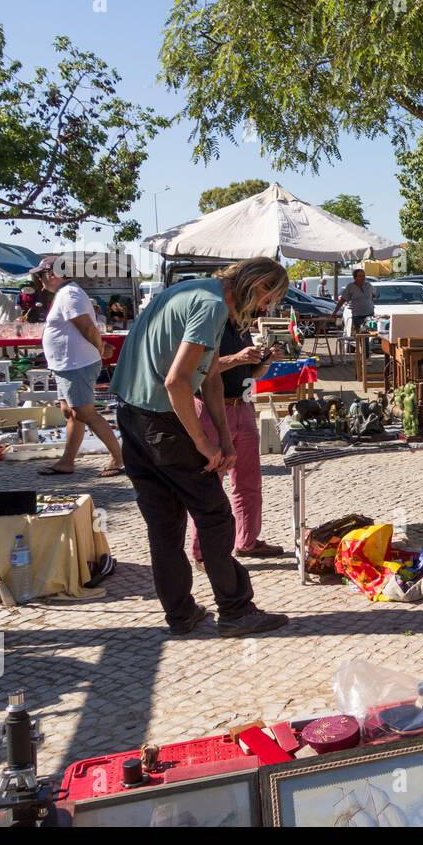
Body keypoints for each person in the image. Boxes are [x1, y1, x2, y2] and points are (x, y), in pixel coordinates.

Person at [109, 257, 291, 638]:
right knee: (213, 514)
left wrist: (223, 439)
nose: (266, 309)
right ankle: (235, 611)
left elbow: (206, 377)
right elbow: (178, 382)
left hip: (131, 415)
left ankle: (181, 614)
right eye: (270, 300)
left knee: (164, 524)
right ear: (258, 286)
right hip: (160, 420)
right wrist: (204, 443)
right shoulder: (209, 306)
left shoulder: (190, 292)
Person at [189, 318, 285, 562]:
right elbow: (196, 367)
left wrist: (264, 363)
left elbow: (249, 373)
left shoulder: (241, 326)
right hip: (212, 410)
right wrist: (238, 358)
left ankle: (247, 541)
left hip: (243, 406)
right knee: (209, 484)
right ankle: (203, 552)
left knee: (249, 482)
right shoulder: (209, 323)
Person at [37, 266, 124, 477]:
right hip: (67, 364)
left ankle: (119, 457)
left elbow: (87, 327)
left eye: (40, 276)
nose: (40, 283)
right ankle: (67, 462)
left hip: (75, 363)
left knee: (85, 413)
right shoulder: (67, 294)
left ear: (51, 274)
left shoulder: (70, 294)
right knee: (72, 413)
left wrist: (101, 348)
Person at [336, 268, 377, 355]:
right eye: (360, 276)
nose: (363, 278)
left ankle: (365, 356)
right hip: (357, 315)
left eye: (363, 276)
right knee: (361, 335)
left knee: (367, 335)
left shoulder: (368, 285)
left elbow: (374, 295)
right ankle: (364, 356)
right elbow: (342, 300)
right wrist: (334, 312)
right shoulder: (350, 287)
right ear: (355, 277)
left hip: (369, 314)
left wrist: (370, 303)